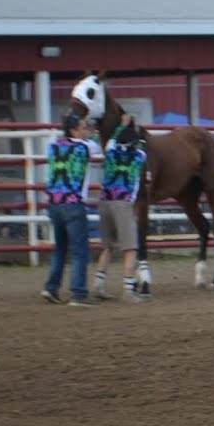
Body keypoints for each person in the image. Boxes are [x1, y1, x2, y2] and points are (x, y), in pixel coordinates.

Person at [41, 113, 101, 306]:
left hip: (54, 203)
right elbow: (98, 145)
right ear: (74, 130)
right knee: (79, 251)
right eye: (83, 127)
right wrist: (93, 133)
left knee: (59, 249)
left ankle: (51, 287)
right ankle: (78, 293)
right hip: (73, 204)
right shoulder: (85, 147)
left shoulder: (53, 147)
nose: (86, 130)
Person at [93, 118, 147, 302]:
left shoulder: (110, 152)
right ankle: (128, 290)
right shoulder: (138, 157)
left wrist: (121, 127)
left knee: (107, 247)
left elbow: (112, 142)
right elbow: (141, 148)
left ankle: (99, 284)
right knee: (130, 248)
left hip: (104, 200)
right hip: (122, 203)